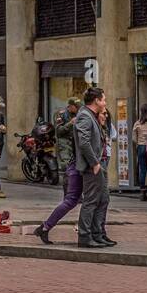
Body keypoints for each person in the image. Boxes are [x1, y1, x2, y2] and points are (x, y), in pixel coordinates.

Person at [36, 98, 83, 245]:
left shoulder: (84, 115)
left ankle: (45, 227)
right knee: (71, 200)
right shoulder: (62, 115)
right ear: (70, 107)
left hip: (76, 161)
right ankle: (46, 227)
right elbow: (58, 131)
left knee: (75, 200)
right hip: (69, 158)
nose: (77, 109)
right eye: (75, 106)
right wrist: (71, 123)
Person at [75, 87, 113, 248]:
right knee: (91, 200)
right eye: (103, 99)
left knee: (103, 199)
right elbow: (83, 142)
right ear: (96, 100)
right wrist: (94, 163)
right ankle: (85, 236)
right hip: (92, 166)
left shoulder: (91, 116)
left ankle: (98, 233)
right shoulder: (84, 116)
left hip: (99, 164)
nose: (105, 103)